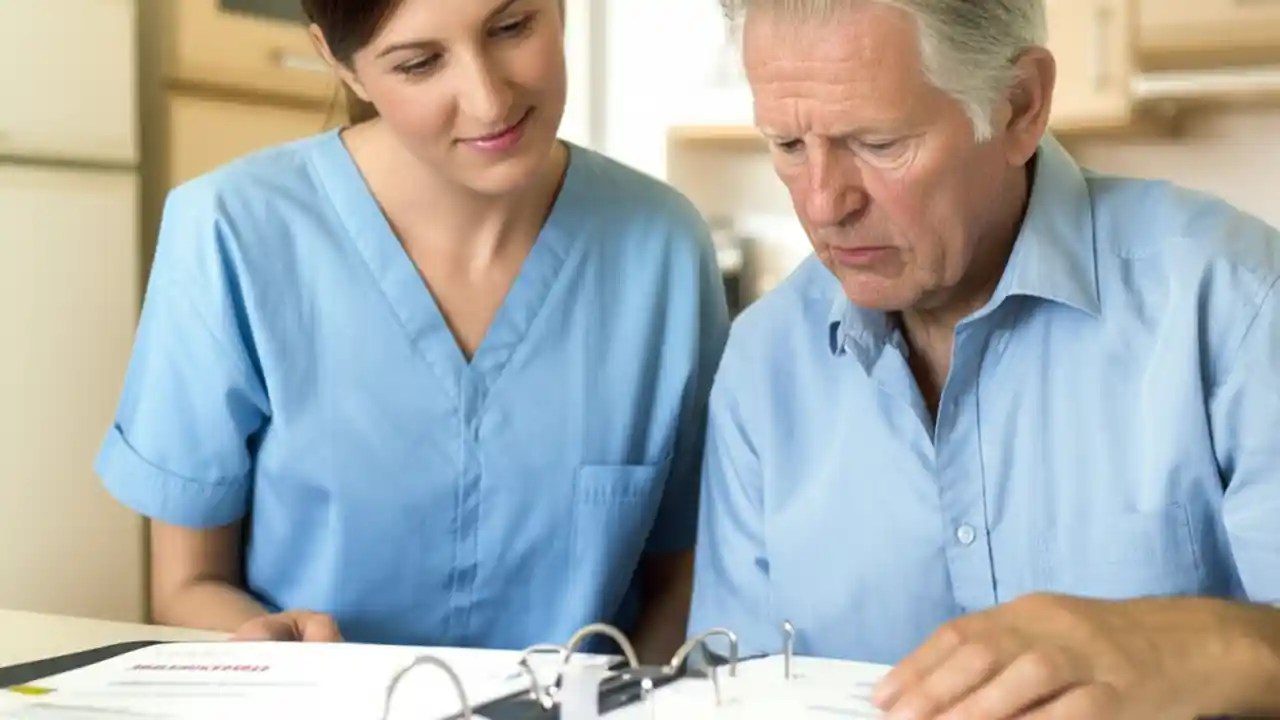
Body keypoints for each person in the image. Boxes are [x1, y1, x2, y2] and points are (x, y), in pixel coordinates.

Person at [688, 0, 1280, 716]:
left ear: (1018, 106)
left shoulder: (1234, 304)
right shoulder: (762, 365)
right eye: (786, 145)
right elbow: (730, 694)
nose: (823, 203)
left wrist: (1180, 645)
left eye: (878, 143)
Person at [95, 0, 728, 663]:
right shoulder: (229, 231)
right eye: (421, 63)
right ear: (345, 66)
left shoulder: (663, 248)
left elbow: (682, 579)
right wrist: (285, 654)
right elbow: (188, 584)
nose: (488, 102)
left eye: (512, 28)